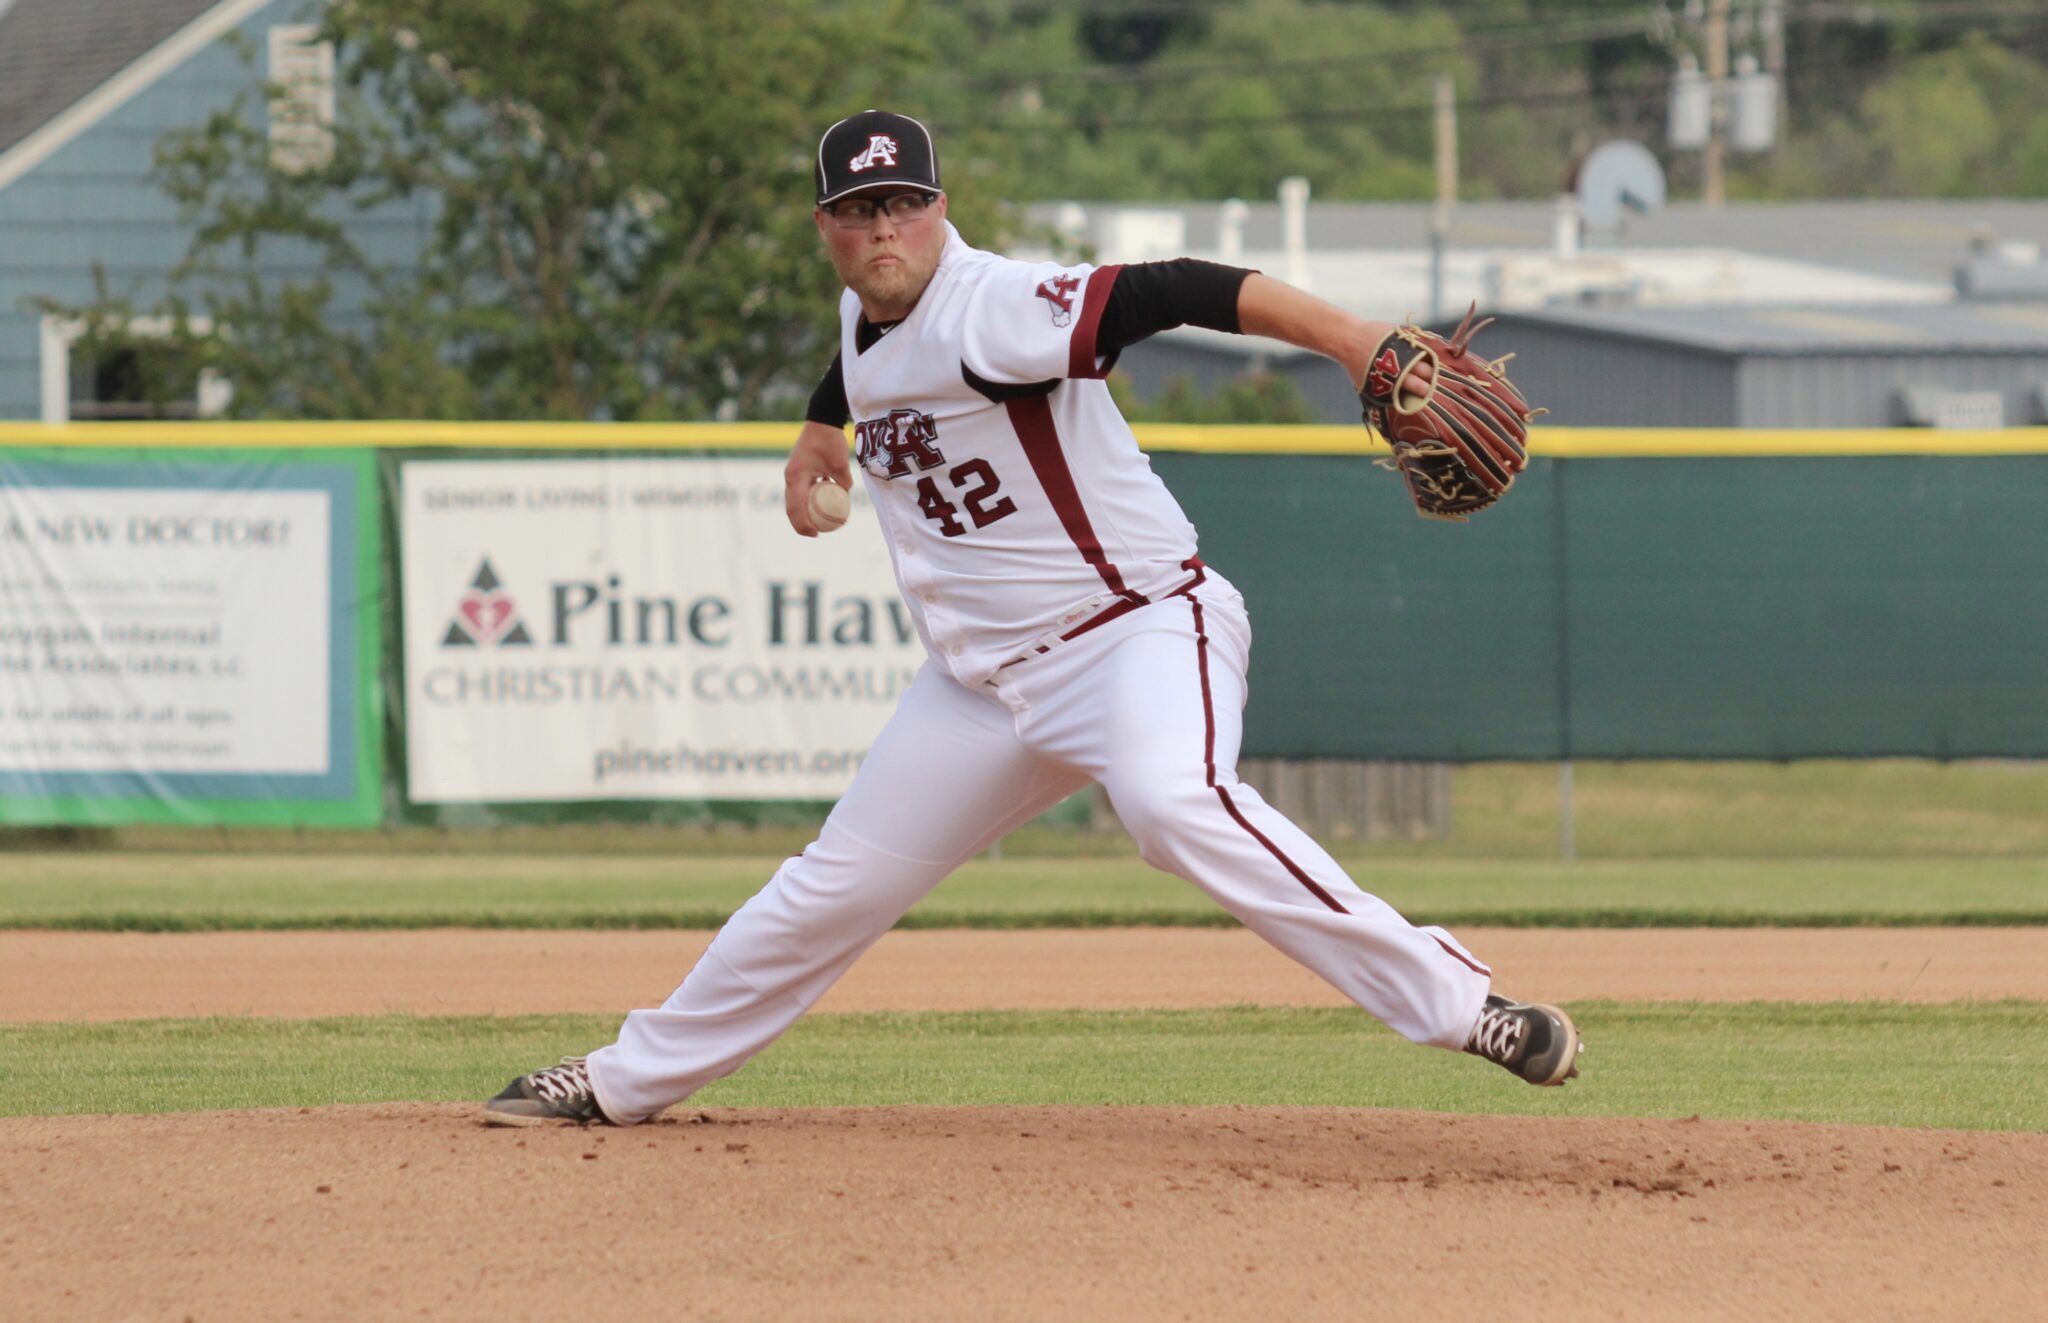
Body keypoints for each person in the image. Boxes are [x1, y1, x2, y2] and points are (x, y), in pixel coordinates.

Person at [485, 110, 1580, 1127]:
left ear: (939, 207)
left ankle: (1461, 1007)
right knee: (829, 887)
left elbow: (1176, 288)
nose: (884, 229)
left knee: (1167, 803)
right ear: (825, 225)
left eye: (904, 203)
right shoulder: (870, 307)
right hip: (979, 691)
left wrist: (1350, 340)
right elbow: (862, 363)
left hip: (1133, 633)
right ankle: (624, 1082)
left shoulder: (995, 306)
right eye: (860, 211)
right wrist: (820, 434)